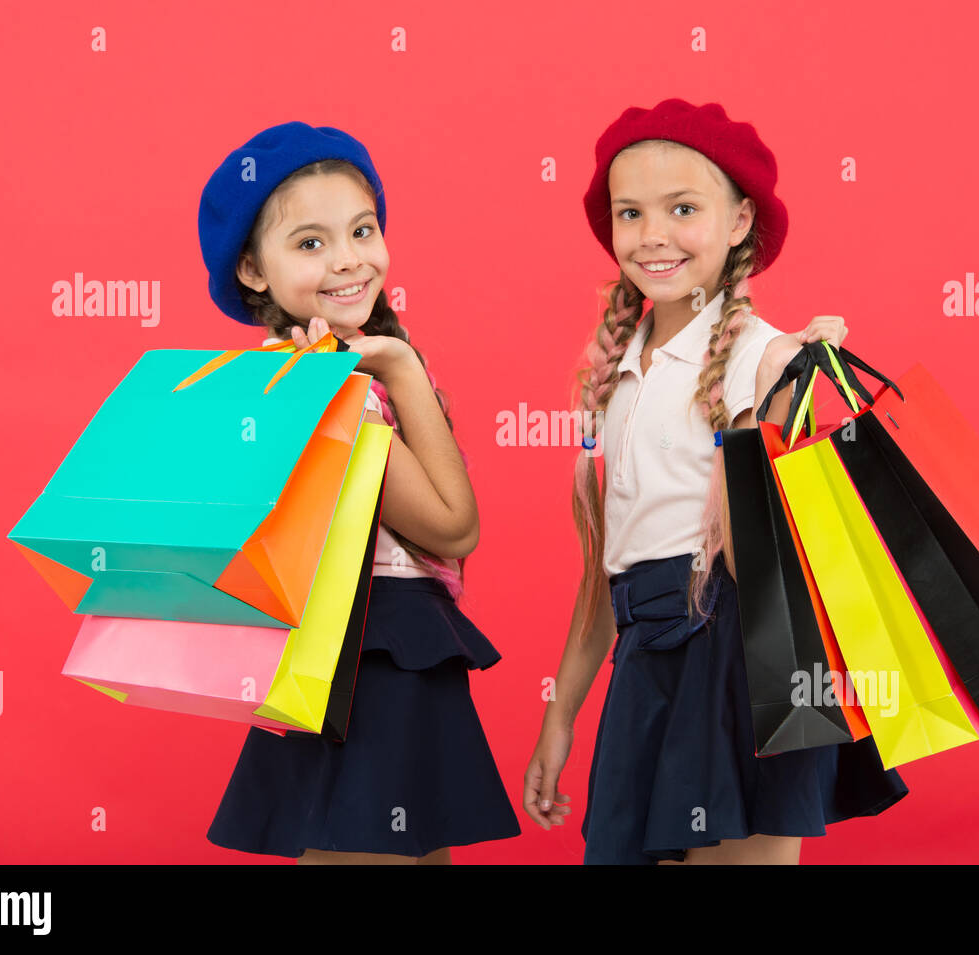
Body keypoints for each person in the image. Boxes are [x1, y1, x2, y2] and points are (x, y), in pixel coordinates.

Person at [524, 99, 909, 865]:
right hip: (647, 657)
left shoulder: (759, 356)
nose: (653, 234)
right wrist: (561, 713)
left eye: (684, 208)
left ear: (740, 222)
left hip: (742, 653)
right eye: (630, 212)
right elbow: (605, 573)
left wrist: (779, 399)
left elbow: (757, 560)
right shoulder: (619, 372)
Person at [197, 121, 519, 864]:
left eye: (362, 229)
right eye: (309, 243)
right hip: (370, 659)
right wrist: (401, 368)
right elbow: (453, 526)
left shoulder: (323, 373)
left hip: (368, 655)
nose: (348, 259)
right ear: (252, 269)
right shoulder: (325, 388)